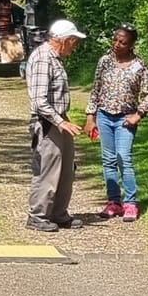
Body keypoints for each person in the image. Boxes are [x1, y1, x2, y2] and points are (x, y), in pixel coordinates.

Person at [91, 23, 148, 222]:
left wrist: (138, 115)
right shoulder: (105, 62)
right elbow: (96, 90)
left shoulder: (140, 66)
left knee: (124, 158)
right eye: (116, 40)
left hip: (125, 119)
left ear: (131, 45)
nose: (117, 44)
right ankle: (114, 202)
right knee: (108, 160)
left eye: (123, 42)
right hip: (104, 115)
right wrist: (90, 117)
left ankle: (130, 202)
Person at [25, 19, 88, 231]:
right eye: (74, 41)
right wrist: (60, 121)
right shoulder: (43, 58)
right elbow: (39, 101)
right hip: (48, 123)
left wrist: (65, 118)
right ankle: (38, 215)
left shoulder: (55, 58)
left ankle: (59, 213)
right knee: (48, 170)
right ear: (65, 40)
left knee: (66, 170)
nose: (75, 46)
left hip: (59, 119)